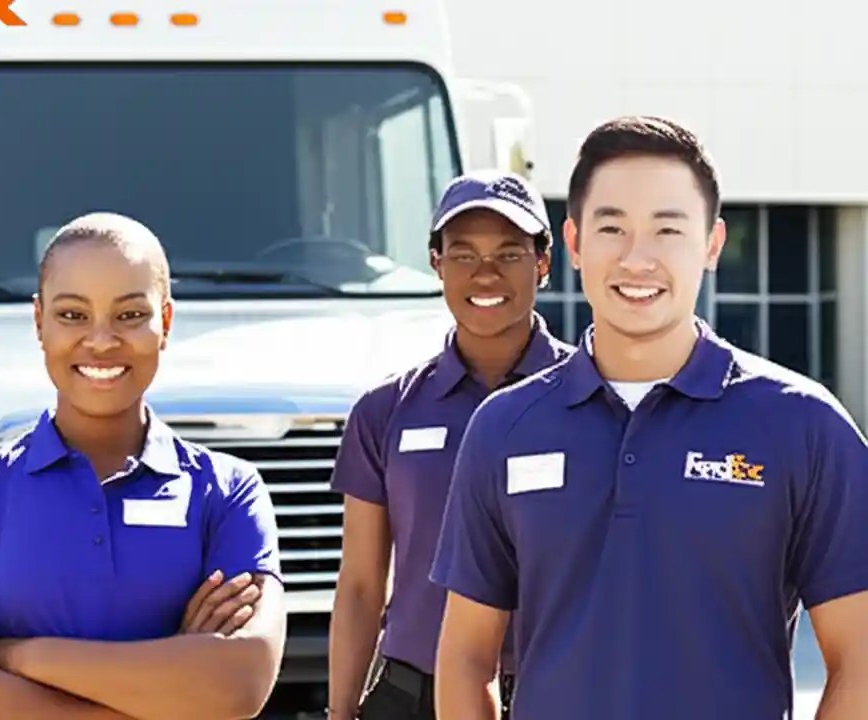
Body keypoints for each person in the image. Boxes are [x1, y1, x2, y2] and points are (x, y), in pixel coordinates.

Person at [430, 116, 868, 719]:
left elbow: (860, 658)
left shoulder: (803, 424)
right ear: (576, 243)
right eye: (613, 227)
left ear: (711, 245)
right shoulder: (503, 427)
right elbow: (465, 658)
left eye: (668, 230)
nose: (639, 259)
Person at [0, 211, 287, 719]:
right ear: (38, 321)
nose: (102, 340)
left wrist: (23, 655)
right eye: (72, 315)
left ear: (166, 323)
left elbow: (240, 682)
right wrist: (174, 689)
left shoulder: (228, 492)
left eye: (130, 315)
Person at [326, 170, 573, 720]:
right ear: (436, 262)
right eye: (463, 254)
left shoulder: (591, 400)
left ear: (543, 262)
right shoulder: (385, 411)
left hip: (555, 692)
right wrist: (341, 710)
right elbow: (363, 585)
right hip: (410, 694)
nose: (485, 274)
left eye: (508, 254)